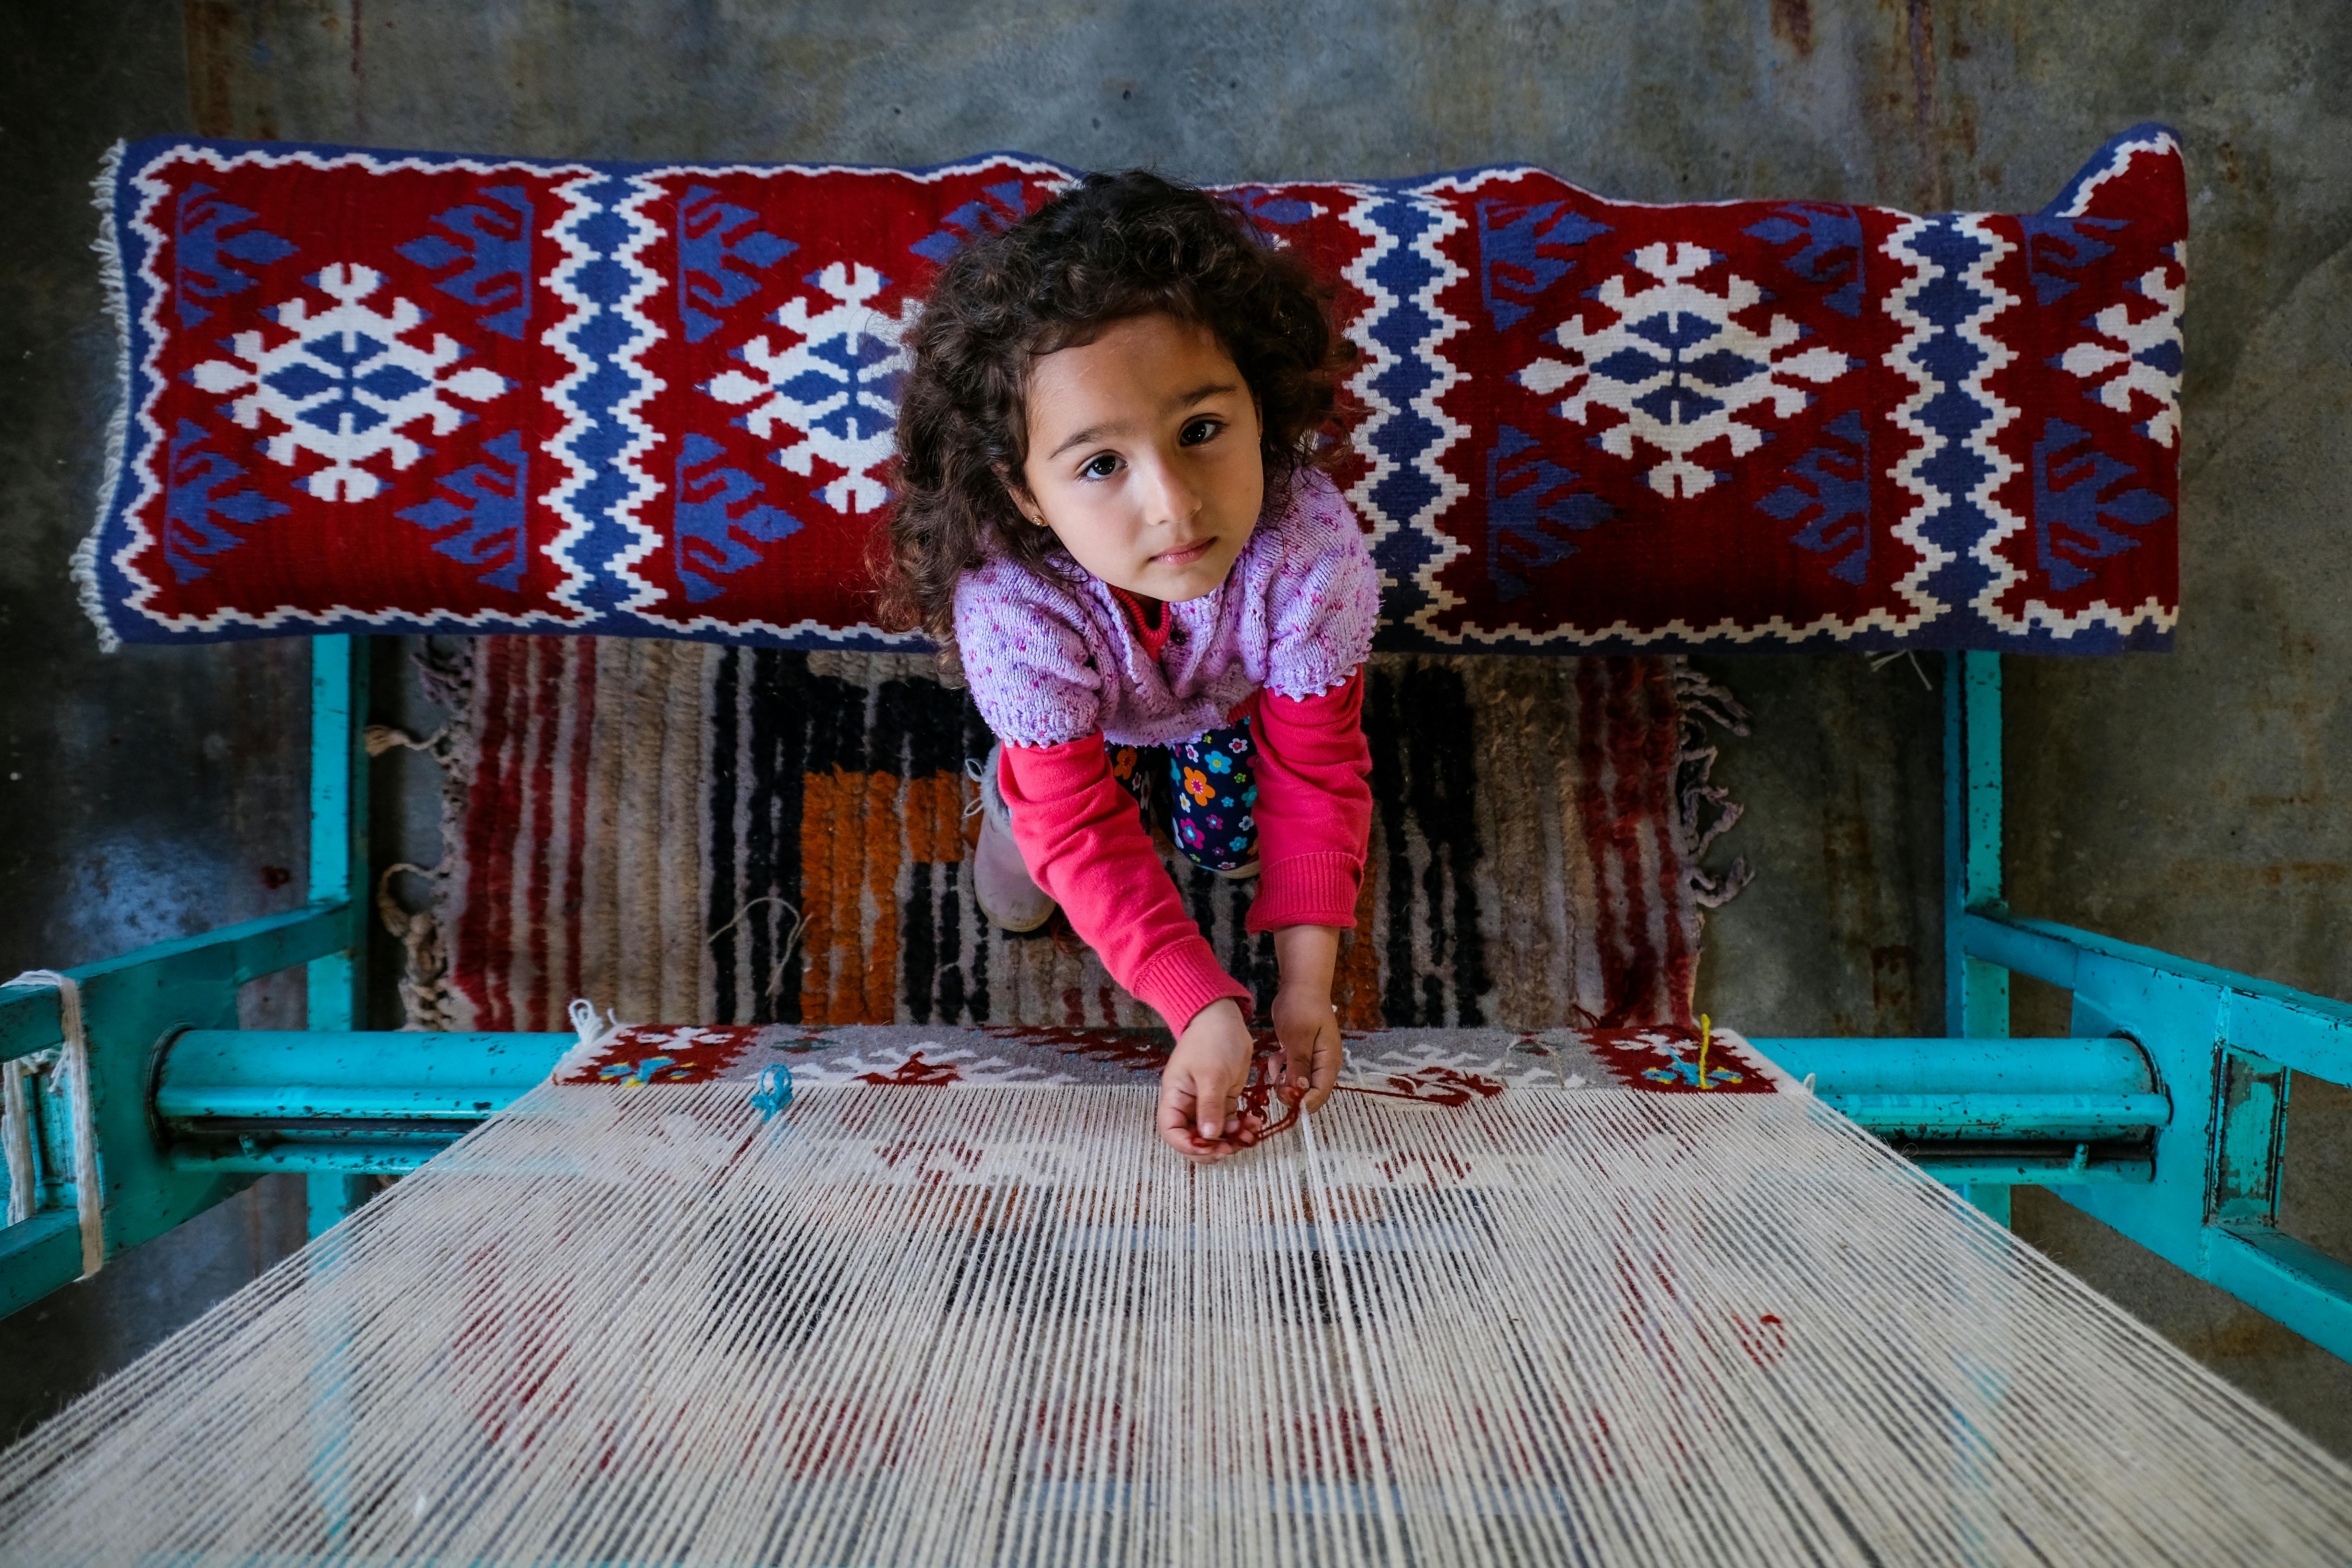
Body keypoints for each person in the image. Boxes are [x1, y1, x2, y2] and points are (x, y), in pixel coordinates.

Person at [877, 170, 1380, 1164]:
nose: (1175, 506)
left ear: (1259, 406)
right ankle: (1008, 812)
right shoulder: (1010, 607)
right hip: (1081, 725)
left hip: (1225, 705)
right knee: (1041, 859)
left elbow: (1317, 764)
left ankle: (1216, 821)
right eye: (1101, 464)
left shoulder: (1313, 557)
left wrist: (1304, 983)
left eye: (1202, 431)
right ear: (1023, 492)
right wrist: (1198, 1003)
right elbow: (1081, 820)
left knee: (1239, 827)